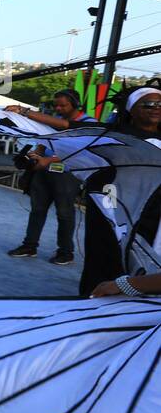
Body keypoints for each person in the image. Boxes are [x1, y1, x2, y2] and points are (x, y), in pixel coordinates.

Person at [79, 83, 161, 294]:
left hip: (153, 212)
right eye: (148, 104)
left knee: (144, 258)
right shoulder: (111, 135)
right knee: (106, 253)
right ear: (130, 109)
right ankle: (94, 298)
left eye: (160, 104)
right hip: (114, 205)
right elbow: (69, 130)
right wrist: (26, 114)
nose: (156, 107)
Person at [4, 90, 97, 265]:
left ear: (75, 104)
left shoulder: (89, 124)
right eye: (56, 105)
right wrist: (35, 154)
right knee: (37, 210)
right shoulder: (54, 122)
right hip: (43, 171)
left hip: (67, 174)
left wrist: (48, 160)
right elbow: (44, 141)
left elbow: (81, 152)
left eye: (63, 105)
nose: (58, 108)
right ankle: (29, 246)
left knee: (64, 214)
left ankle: (66, 252)